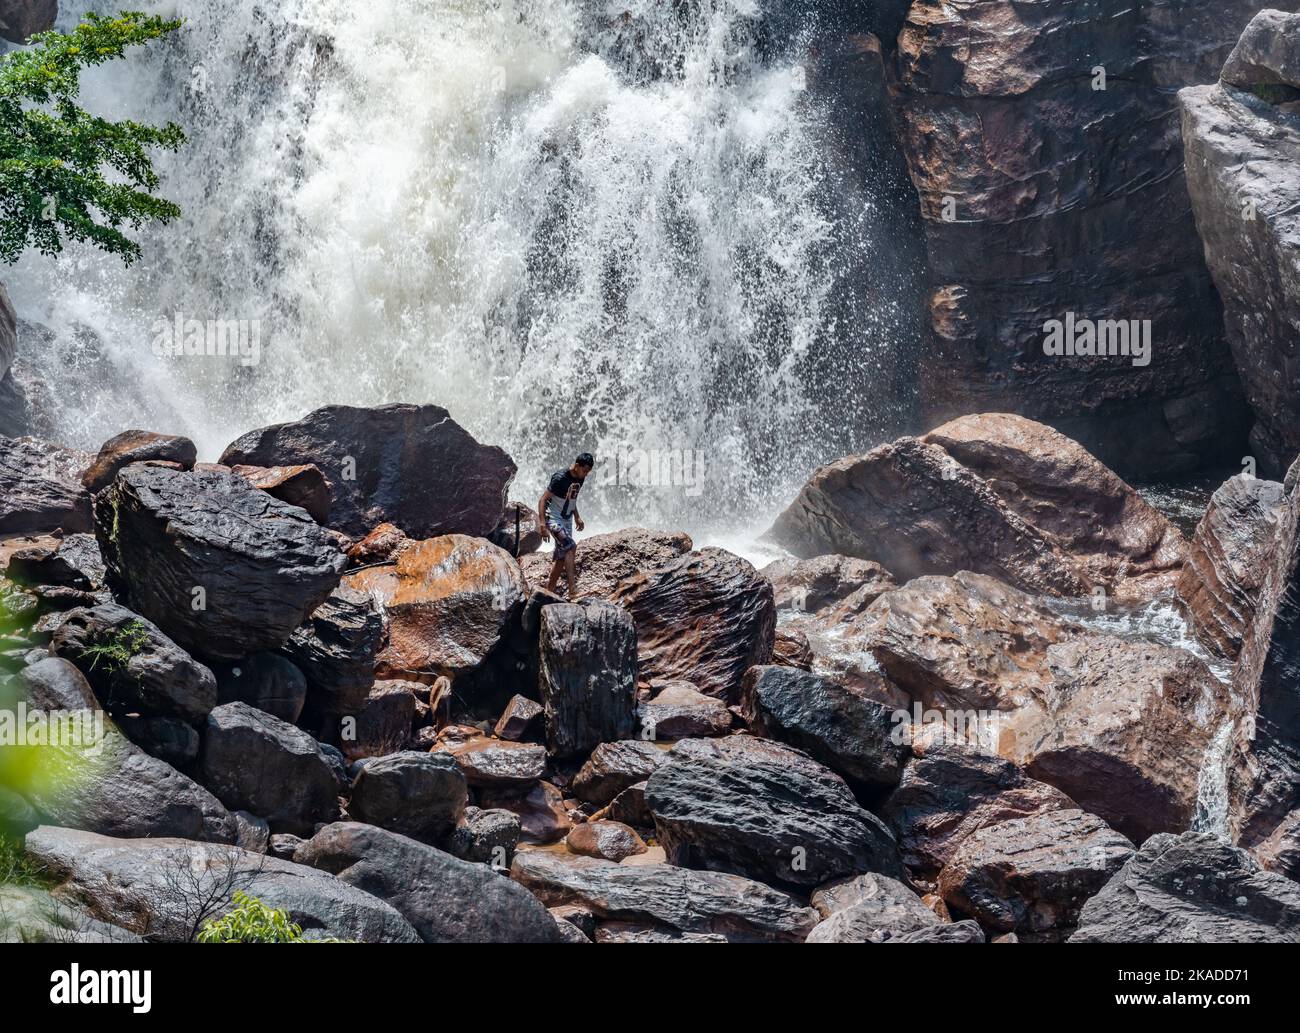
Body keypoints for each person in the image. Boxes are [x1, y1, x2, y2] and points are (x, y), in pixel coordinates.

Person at [538, 453, 594, 600]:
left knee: (562, 557)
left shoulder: (580, 479)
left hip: (567, 520)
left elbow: (572, 499)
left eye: (588, 472)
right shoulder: (560, 478)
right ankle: (572, 588)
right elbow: (543, 500)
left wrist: (577, 516)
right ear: (576, 465)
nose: (585, 474)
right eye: (584, 470)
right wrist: (543, 524)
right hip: (553, 518)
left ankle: (548, 592)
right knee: (570, 546)